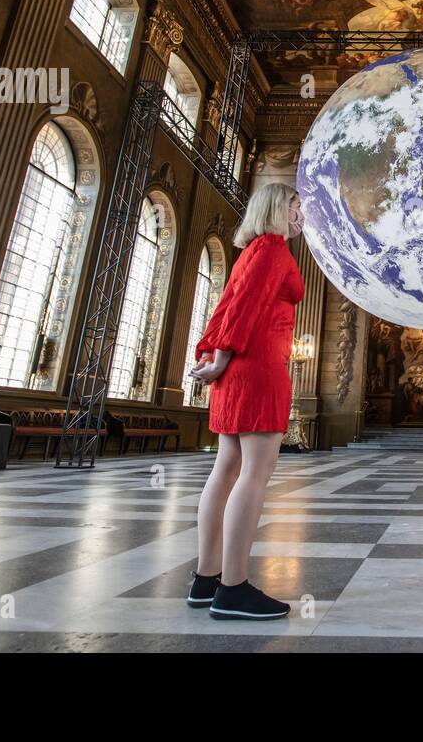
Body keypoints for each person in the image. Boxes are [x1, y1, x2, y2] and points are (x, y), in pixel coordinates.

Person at [185, 182, 305, 620]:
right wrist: (218, 358)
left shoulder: (252, 250)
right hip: (257, 368)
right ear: (275, 208)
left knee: (227, 469)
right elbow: (243, 309)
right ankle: (233, 588)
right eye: (295, 207)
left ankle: (206, 579)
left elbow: (224, 306)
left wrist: (209, 355)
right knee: (256, 473)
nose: (300, 216)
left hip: (236, 369)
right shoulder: (273, 247)